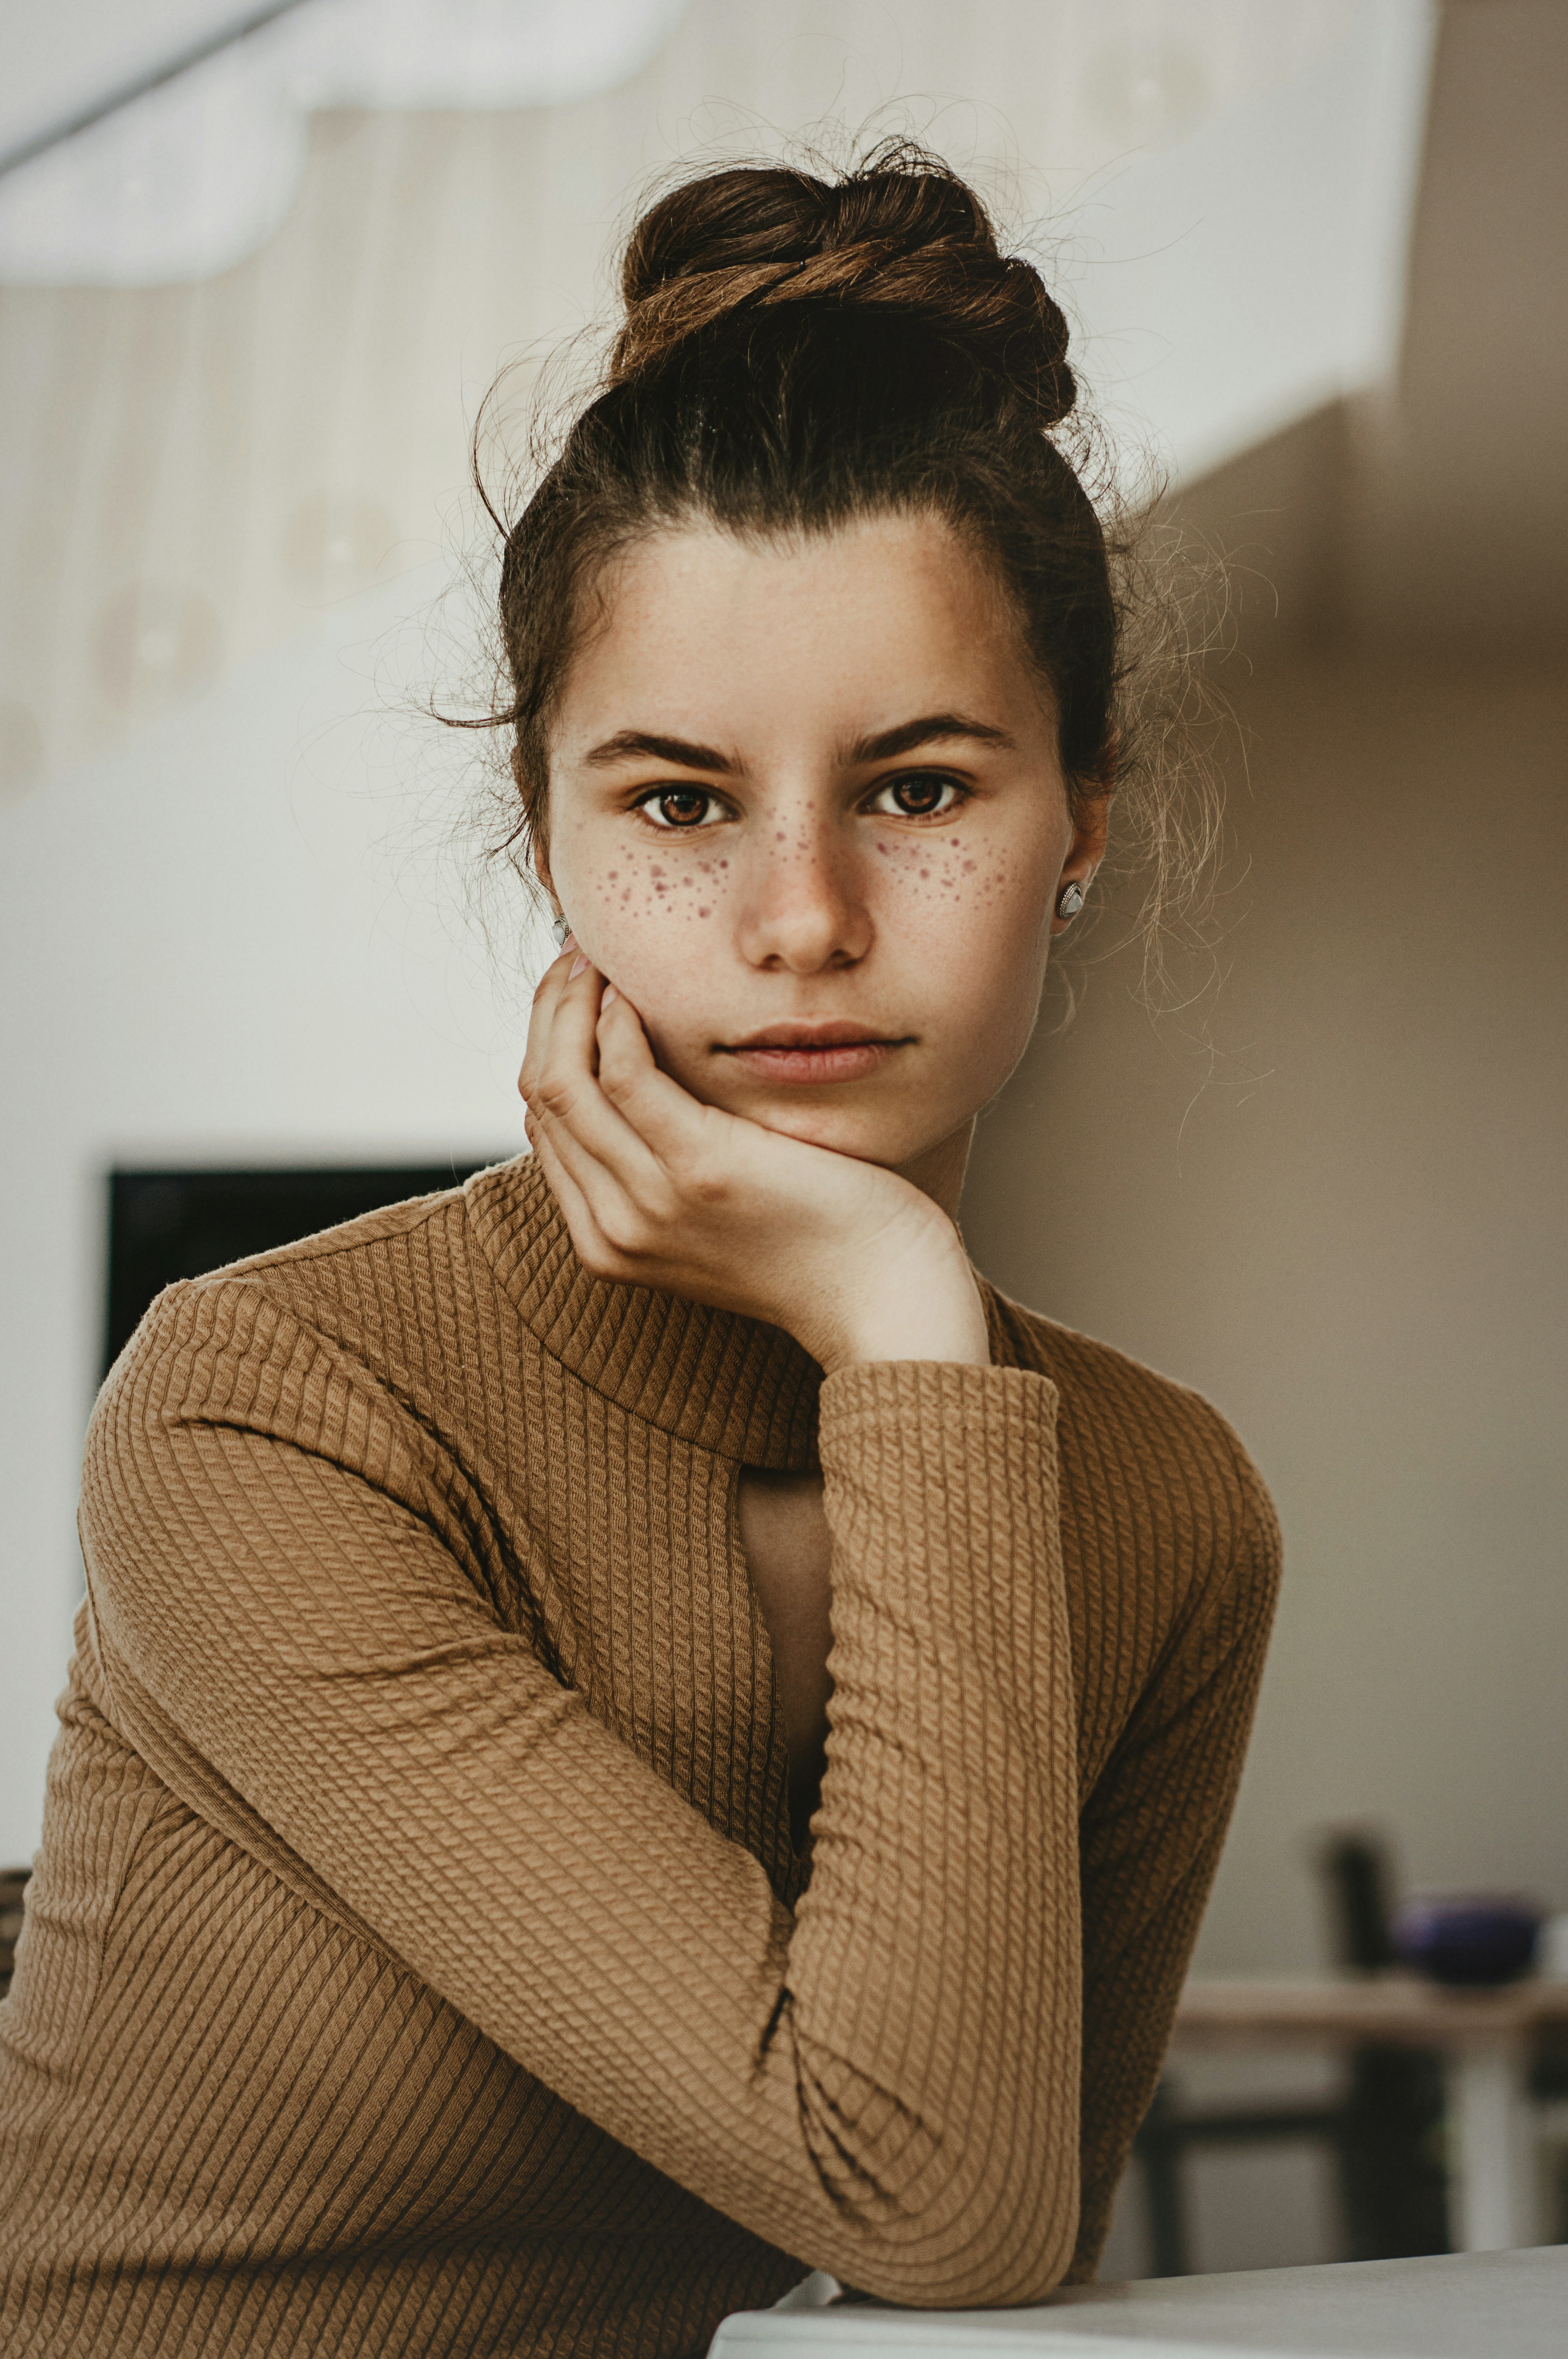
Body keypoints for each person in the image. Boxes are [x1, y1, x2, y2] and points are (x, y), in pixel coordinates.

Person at [0, 147, 1279, 2359]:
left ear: (1085, 819)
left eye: (921, 787)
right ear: (550, 839)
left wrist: (903, 1347)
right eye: (679, 803)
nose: (798, 917)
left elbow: (957, 2261)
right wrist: (902, 1310)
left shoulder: (1163, 1504)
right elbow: (938, 2206)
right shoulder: (267, 1402)